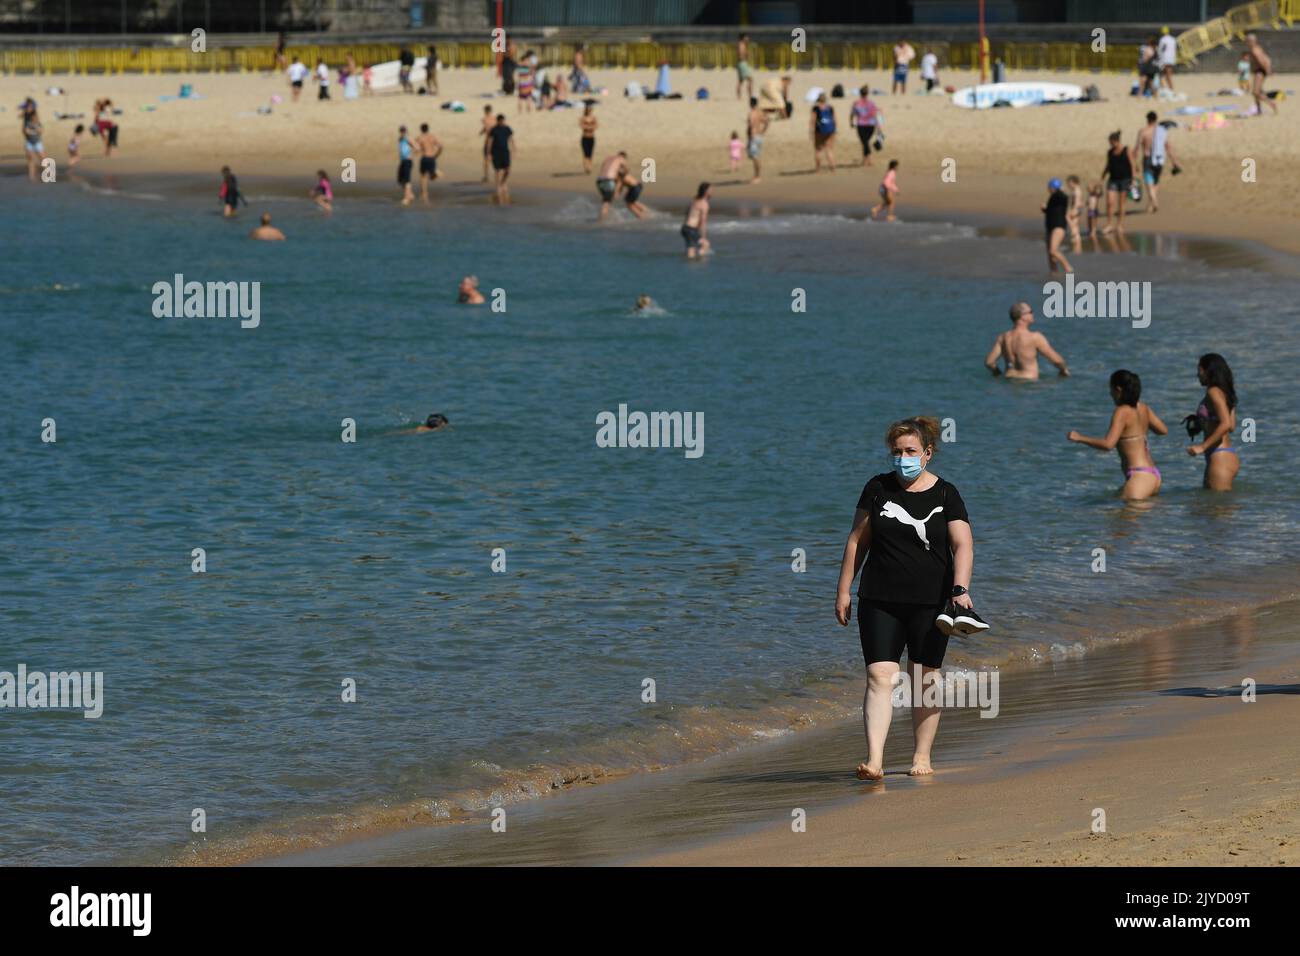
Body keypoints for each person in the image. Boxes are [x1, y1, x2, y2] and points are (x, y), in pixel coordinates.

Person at [835, 416, 981, 782]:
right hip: (879, 599)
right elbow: (857, 540)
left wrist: (960, 590)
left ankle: (921, 754)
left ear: (927, 453)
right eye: (897, 452)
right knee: (879, 676)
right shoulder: (877, 488)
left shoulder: (946, 493)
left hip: (931, 601)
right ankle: (874, 760)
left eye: (910, 451)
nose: (903, 458)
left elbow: (962, 544)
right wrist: (843, 589)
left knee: (924, 679)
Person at [1067, 370, 1168, 501]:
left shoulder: (1122, 411)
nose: (1110, 394)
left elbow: (1108, 444)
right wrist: (1140, 427)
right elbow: (1163, 430)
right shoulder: (1143, 408)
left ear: (1118, 390)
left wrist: (1080, 438)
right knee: (1123, 515)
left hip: (1139, 477)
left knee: (1121, 520)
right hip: (1153, 475)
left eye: (1111, 390)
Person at [1184, 353, 1240, 491]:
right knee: (1209, 509)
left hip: (1219, 457)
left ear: (1209, 371)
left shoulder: (1213, 392)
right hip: (1224, 455)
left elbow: (1226, 424)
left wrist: (1202, 447)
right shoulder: (1225, 392)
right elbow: (1231, 426)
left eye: (1199, 370)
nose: (1198, 375)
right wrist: (1201, 423)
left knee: (1216, 510)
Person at [984, 302, 1070, 380]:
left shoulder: (1003, 337)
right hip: (1028, 383)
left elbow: (989, 362)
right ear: (1023, 316)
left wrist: (998, 373)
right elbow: (1057, 360)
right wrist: (1063, 369)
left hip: (1009, 380)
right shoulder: (1035, 337)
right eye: (1031, 312)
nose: (1033, 314)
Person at [1135, 111, 1180, 213]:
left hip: (1147, 159)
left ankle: (1154, 202)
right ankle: (1150, 205)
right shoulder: (1162, 132)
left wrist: (1134, 163)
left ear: (1147, 120)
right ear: (1156, 119)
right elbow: (1168, 147)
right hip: (1159, 159)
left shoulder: (1143, 131)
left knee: (1148, 182)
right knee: (1155, 182)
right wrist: (1174, 162)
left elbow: (1137, 148)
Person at [1099, 130, 1133, 234]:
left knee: (1121, 204)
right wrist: (1103, 177)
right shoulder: (1110, 152)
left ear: (1116, 141)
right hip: (1112, 180)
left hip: (1125, 179)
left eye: (1111, 142)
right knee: (1109, 203)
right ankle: (1109, 225)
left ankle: (1120, 225)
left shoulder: (1127, 150)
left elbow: (1132, 164)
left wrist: (1133, 180)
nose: (1110, 144)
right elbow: (1108, 165)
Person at [1041, 178, 1073, 273]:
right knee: (1050, 254)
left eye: (1049, 187)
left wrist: (1060, 189)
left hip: (1058, 226)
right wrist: (1044, 209)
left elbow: (1064, 197)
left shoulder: (1060, 196)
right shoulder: (1052, 197)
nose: (1048, 189)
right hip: (1050, 227)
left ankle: (1068, 268)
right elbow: (1051, 211)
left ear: (1052, 187)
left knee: (1053, 250)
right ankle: (1054, 271)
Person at [1244, 33, 1278, 116]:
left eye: (1247, 41)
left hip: (1259, 72)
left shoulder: (1254, 50)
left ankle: (1271, 103)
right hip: (1260, 71)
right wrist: (1268, 69)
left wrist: (1268, 70)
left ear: (1252, 41)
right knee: (1258, 91)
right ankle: (1259, 110)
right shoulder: (1257, 48)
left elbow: (1261, 61)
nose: (1246, 42)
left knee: (1255, 92)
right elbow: (1267, 59)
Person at [849, 86, 879, 167]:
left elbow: (852, 114)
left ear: (860, 93)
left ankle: (867, 160)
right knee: (865, 142)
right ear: (867, 93)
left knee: (865, 142)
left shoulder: (856, 103)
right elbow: (876, 115)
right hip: (871, 125)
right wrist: (878, 126)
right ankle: (866, 160)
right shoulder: (871, 103)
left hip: (861, 125)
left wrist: (851, 122)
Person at [487, 114, 514, 204]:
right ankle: (498, 186)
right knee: (497, 170)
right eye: (501, 121)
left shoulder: (507, 129)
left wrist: (514, 147)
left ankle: (503, 182)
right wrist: (489, 153)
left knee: (508, 170)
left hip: (505, 151)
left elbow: (511, 139)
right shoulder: (494, 130)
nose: (502, 122)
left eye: (503, 121)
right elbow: (490, 141)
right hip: (496, 152)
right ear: (498, 121)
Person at [682, 182, 711, 259]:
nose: (712, 192)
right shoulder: (704, 204)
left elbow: (687, 213)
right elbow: (703, 221)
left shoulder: (694, 200)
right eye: (710, 190)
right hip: (691, 229)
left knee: (692, 248)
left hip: (685, 228)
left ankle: (690, 262)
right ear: (706, 192)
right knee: (705, 244)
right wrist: (703, 236)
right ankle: (699, 263)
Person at [596, 152, 628, 221]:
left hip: (599, 181)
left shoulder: (608, 158)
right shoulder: (621, 159)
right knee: (606, 202)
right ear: (623, 157)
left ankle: (604, 216)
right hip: (608, 181)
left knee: (606, 200)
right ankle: (601, 220)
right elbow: (626, 171)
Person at [416, 122, 443, 204]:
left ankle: (424, 195)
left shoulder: (420, 137)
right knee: (430, 177)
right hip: (432, 158)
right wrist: (437, 155)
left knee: (423, 176)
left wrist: (417, 151)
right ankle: (424, 195)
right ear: (428, 129)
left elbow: (415, 146)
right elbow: (441, 146)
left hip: (425, 158)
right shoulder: (432, 137)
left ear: (421, 129)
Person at [810, 93, 837, 172]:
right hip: (830, 129)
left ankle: (818, 168)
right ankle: (832, 167)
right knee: (829, 149)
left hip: (819, 130)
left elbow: (813, 120)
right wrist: (835, 130)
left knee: (818, 149)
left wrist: (811, 131)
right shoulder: (830, 108)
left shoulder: (816, 108)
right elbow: (834, 119)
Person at [746, 97, 769, 183]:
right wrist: (763, 131)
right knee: (756, 156)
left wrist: (751, 135)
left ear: (750, 104)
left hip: (754, 136)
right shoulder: (760, 113)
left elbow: (751, 125)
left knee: (755, 157)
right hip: (759, 136)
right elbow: (767, 122)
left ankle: (757, 176)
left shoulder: (751, 113)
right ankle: (757, 176)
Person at [22, 104, 45, 181]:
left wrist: (32, 131)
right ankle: (31, 175)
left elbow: (40, 131)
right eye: (34, 116)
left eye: (36, 116)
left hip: (37, 142)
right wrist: (34, 131)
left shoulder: (38, 123)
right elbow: (26, 131)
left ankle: (46, 172)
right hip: (29, 143)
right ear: (32, 117)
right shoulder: (28, 123)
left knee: (42, 158)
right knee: (30, 159)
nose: (35, 118)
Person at [396, 126, 415, 206]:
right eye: (401, 131)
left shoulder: (408, 138)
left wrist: (411, 154)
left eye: (404, 131)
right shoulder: (400, 139)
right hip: (402, 161)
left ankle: (406, 198)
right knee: (400, 180)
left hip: (408, 161)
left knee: (407, 180)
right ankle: (410, 194)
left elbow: (417, 147)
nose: (402, 132)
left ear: (406, 131)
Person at [1065, 174, 1084, 249]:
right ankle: (1077, 242)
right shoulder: (1076, 190)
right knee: (1075, 224)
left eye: (1069, 183)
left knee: (1067, 216)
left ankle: (1074, 234)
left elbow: (1077, 201)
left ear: (1074, 182)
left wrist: (1073, 210)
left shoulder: (1077, 190)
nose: (1069, 185)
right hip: (1077, 208)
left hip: (1076, 208)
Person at [1156, 26, 1178, 92]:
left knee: (1162, 75)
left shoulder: (1162, 39)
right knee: (1168, 75)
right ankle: (1169, 88)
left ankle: (1166, 89)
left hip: (1165, 59)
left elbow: (1160, 50)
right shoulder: (1173, 39)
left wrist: (1158, 58)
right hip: (1172, 59)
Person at [579, 104, 597, 174]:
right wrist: (589, 126)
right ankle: (586, 167)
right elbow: (582, 126)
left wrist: (589, 126)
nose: (589, 111)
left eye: (590, 110)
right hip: (585, 137)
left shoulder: (594, 118)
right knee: (585, 153)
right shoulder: (583, 118)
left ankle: (590, 166)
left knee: (590, 153)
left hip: (591, 137)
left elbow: (596, 126)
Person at [736, 33, 754, 101]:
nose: (748, 39)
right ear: (743, 38)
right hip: (742, 63)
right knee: (750, 79)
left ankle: (739, 97)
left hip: (740, 63)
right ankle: (750, 96)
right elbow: (741, 55)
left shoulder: (741, 44)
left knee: (740, 81)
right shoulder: (741, 45)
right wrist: (746, 56)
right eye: (747, 37)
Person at [479, 105, 494, 183]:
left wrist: (482, 132)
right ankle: (498, 175)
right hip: (496, 140)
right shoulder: (494, 118)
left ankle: (486, 177)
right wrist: (482, 132)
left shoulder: (484, 119)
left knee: (486, 159)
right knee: (494, 158)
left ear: (485, 111)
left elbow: (487, 128)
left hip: (488, 140)